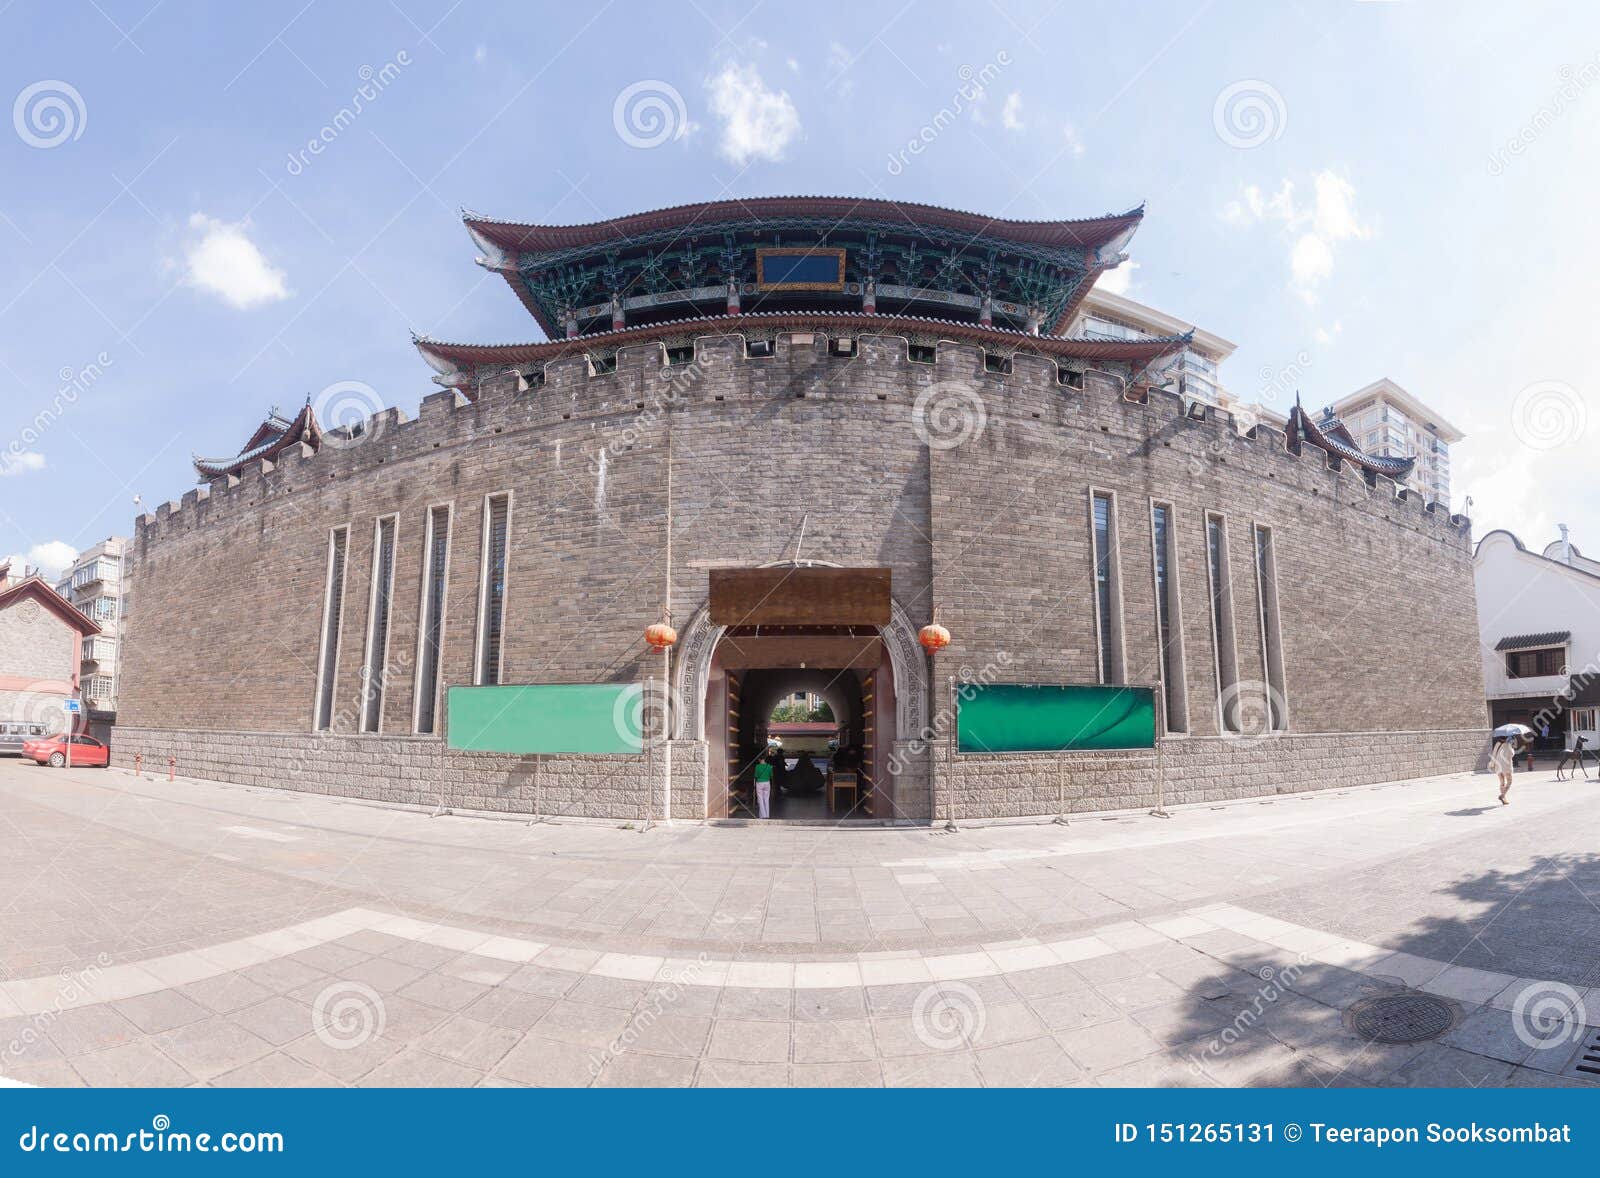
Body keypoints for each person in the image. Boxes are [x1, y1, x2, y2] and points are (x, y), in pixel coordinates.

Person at [1490, 736, 1516, 805]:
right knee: (1509, 781)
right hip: (1506, 767)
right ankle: (1503, 795)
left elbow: (1493, 754)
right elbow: (1511, 754)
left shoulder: (1497, 744)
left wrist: (1492, 764)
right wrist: (1512, 748)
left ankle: (1504, 799)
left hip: (1498, 765)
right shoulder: (1508, 744)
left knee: (1502, 782)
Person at [752, 750, 774, 819]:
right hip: (767, 783)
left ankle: (763, 815)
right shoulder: (770, 766)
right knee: (766, 799)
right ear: (765, 759)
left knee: (760, 799)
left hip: (759, 783)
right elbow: (771, 776)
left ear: (759, 759)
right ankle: (767, 815)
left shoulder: (757, 767)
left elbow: (756, 776)